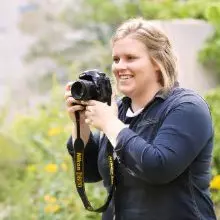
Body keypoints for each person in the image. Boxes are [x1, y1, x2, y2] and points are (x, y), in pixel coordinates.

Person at [64, 17, 217, 220]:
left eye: (130, 58)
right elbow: (91, 173)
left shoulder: (186, 107)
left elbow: (158, 167)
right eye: (116, 59)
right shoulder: (118, 110)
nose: (119, 67)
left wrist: (110, 125)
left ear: (157, 62)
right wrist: (80, 125)